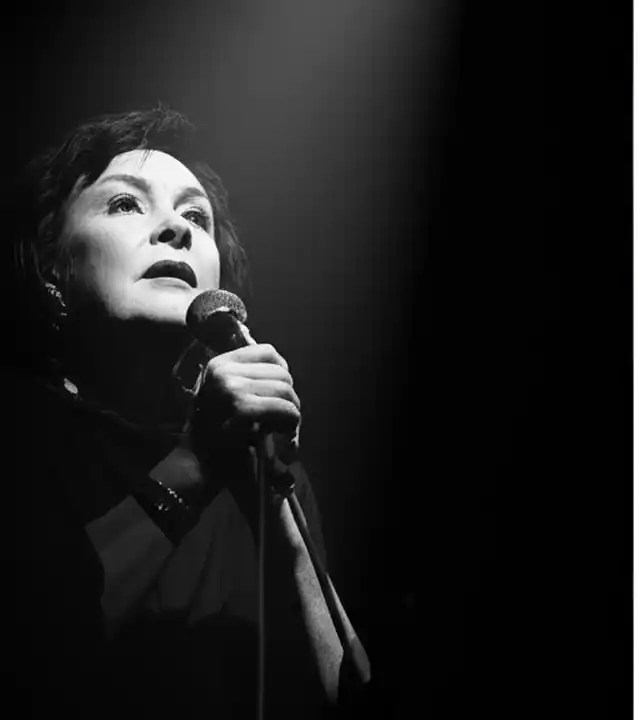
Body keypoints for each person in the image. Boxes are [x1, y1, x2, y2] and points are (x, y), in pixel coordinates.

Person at [0, 107, 370, 718]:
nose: (176, 229)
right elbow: (32, 654)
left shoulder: (265, 466)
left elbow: (347, 697)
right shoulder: (19, 430)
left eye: (195, 216)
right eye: (125, 205)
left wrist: (275, 500)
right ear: (50, 270)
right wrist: (195, 463)